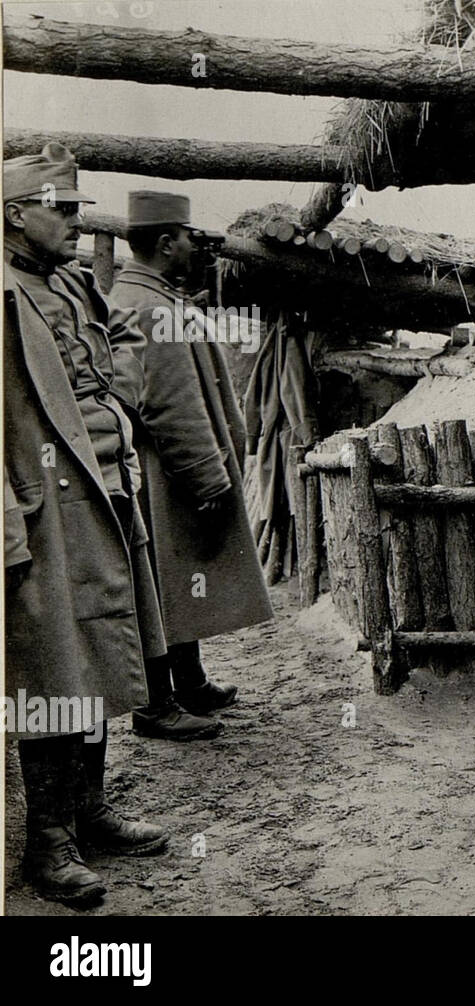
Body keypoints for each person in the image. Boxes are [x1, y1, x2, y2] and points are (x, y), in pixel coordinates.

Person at [3, 143, 170, 906]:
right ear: (15, 213)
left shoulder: (70, 283)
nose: (75, 218)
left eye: (76, 205)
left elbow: (118, 354)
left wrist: (122, 410)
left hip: (106, 494)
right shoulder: (3, 293)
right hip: (43, 514)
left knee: (102, 649)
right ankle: (49, 842)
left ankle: (91, 812)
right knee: (52, 673)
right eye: (60, 207)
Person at [110, 190, 274, 741]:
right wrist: (207, 476)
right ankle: (155, 706)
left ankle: (190, 681)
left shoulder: (149, 295)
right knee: (160, 582)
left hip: (165, 472)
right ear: (164, 242)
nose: (192, 246)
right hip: (166, 476)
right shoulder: (152, 307)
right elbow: (170, 406)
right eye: (185, 236)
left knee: (178, 579)